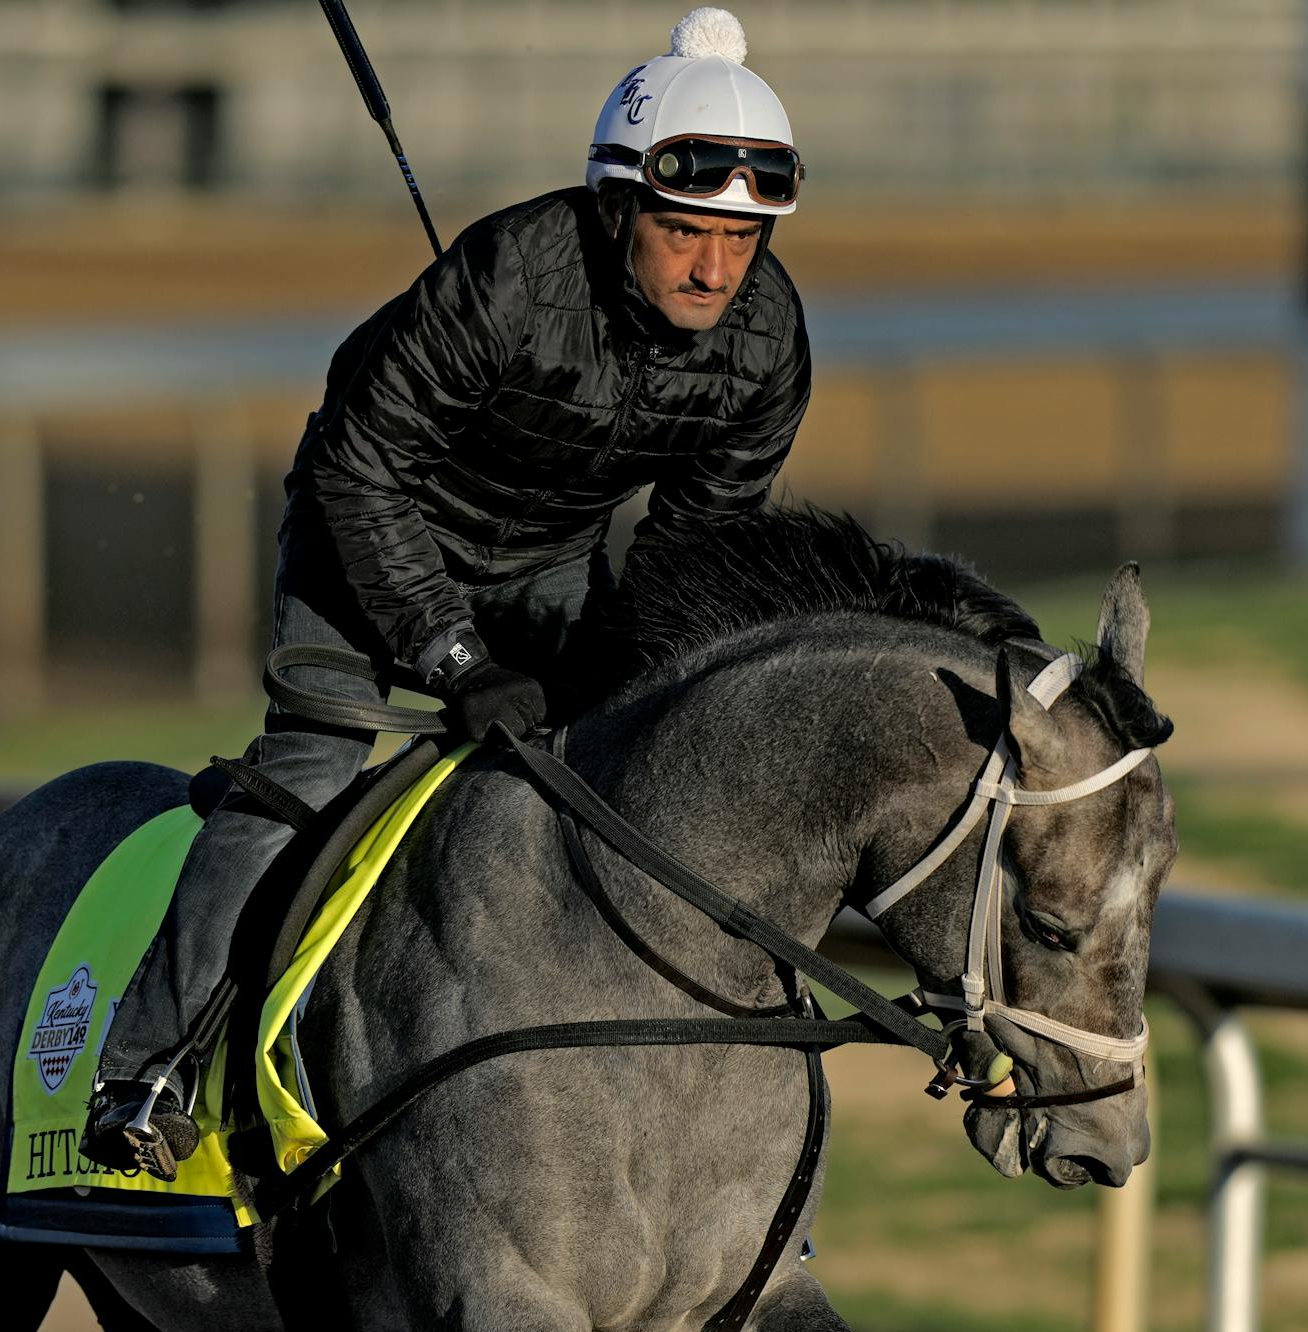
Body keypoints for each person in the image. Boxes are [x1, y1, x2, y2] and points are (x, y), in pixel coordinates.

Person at [81, 5, 815, 1180]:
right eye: (686, 232)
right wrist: (453, 660)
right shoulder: (507, 276)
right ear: (618, 206)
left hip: (548, 565)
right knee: (314, 769)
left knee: (622, 766)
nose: (716, 268)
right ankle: (144, 1069)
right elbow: (356, 470)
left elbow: (699, 548)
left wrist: (630, 675)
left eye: (744, 240)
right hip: (368, 530)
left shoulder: (769, 342)